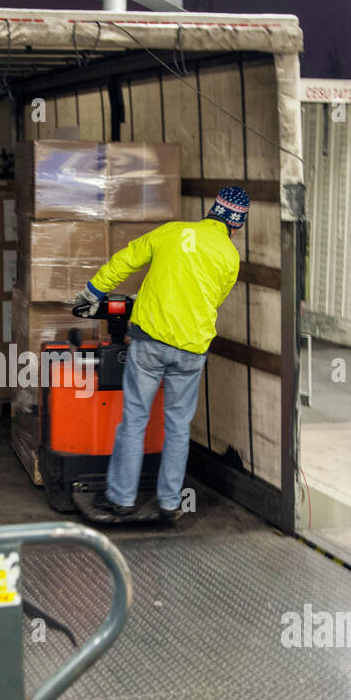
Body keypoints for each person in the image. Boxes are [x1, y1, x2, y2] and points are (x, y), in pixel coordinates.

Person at [73, 186, 247, 521]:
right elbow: (214, 298)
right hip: (191, 350)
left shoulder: (172, 231)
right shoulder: (230, 257)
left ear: (211, 210)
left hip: (150, 343)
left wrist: (92, 291)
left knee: (135, 420)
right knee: (179, 426)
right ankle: (169, 503)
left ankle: (122, 499)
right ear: (236, 226)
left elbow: (126, 260)